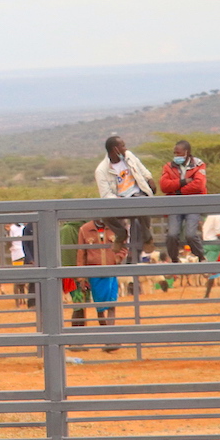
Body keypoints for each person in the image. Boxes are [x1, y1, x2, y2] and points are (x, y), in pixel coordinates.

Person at [94, 137, 156, 263]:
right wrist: (120, 200)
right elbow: (105, 194)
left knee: (142, 204)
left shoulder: (129, 156)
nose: (125, 148)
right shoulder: (101, 170)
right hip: (119, 200)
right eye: (122, 146)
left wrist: (149, 179)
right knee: (104, 213)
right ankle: (121, 234)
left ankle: (147, 238)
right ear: (115, 149)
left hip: (137, 194)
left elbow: (142, 169)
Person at [74, 218, 126, 352]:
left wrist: (118, 258)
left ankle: (111, 337)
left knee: (112, 303)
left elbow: (123, 245)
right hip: (95, 272)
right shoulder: (85, 229)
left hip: (111, 270)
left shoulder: (115, 227)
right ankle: (107, 337)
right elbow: (81, 253)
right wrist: (81, 276)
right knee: (101, 307)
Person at [159, 140, 207, 264]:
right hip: (175, 205)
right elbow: (164, 186)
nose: (176, 156)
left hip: (193, 204)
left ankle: (201, 256)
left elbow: (199, 185)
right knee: (172, 235)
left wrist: (177, 191)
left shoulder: (198, 165)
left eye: (179, 153)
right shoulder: (168, 166)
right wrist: (183, 182)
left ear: (187, 152)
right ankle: (175, 259)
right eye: (175, 153)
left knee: (190, 234)